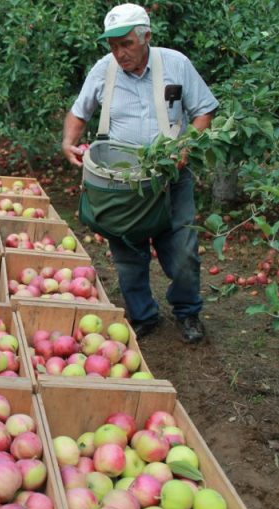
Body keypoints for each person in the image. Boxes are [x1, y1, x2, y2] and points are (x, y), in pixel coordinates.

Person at [61, 3, 219, 343]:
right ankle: (143, 315)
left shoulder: (175, 64)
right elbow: (79, 112)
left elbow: (204, 111)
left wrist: (185, 147)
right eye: (113, 46)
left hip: (170, 179)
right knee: (128, 254)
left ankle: (188, 312)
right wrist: (68, 142)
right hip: (122, 185)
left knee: (182, 252)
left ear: (146, 36)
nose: (119, 53)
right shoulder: (103, 70)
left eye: (126, 44)